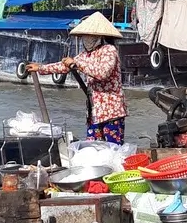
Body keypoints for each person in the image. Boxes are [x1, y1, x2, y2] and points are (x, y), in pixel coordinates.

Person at [27, 12, 127, 144]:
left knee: (113, 148)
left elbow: (102, 73)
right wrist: (40, 68)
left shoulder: (109, 50)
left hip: (111, 111)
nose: (86, 39)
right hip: (95, 111)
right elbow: (64, 66)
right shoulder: (86, 55)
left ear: (99, 36)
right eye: (85, 36)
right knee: (92, 147)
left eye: (89, 36)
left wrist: (77, 64)